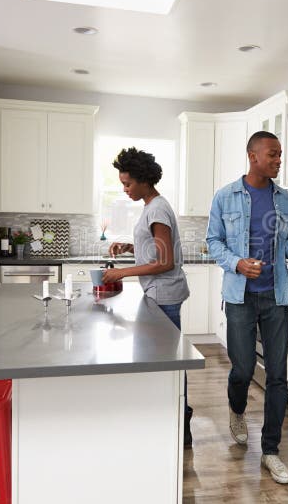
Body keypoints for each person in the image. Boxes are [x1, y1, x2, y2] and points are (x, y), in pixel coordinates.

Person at [206, 131, 288, 484]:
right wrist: (236, 263)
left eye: (279, 155)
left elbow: (287, 245)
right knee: (243, 370)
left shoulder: (284, 200)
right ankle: (237, 409)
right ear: (253, 155)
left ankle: (271, 451)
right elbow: (212, 242)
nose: (278, 160)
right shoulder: (226, 196)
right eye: (273, 155)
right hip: (240, 297)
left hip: (275, 297)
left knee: (277, 376)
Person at [103, 147, 194, 446]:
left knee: (168, 363)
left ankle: (180, 425)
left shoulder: (156, 208)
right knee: (163, 361)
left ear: (143, 179)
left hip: (164, 294)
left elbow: (165, 261)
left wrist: (122, 274)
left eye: (127, 183)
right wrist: (131, 247)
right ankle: (172, 421)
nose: (125, 189)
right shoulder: (153, 206)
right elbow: (157, 249)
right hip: (160, 293)